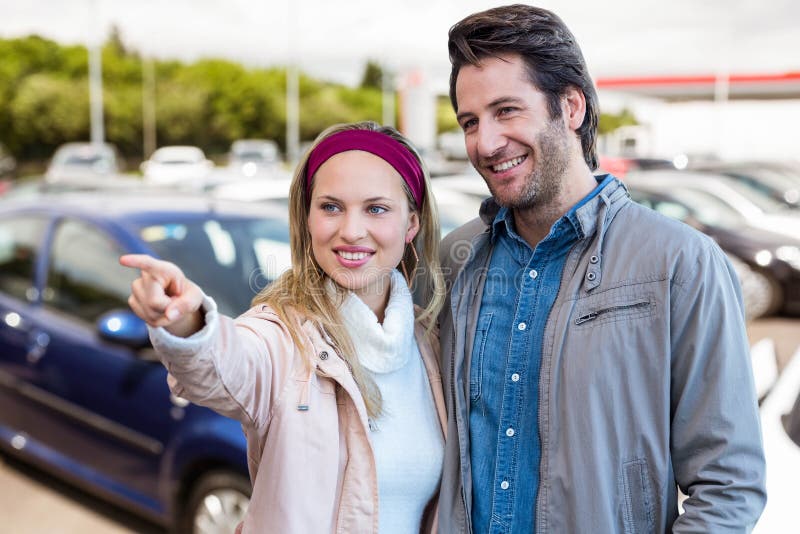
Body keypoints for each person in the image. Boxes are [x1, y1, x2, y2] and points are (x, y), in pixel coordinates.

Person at [435, 5, 767, 533]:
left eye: (507, 111)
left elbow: (728, 484)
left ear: (569, 106)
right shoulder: (457, 259)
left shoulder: (681, 263)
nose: (485, 143)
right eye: (470, 122)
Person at [120, 121, 447, 533]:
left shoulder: (429, 347)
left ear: (411, 224)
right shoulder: (280, 337)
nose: (350, 230)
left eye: (376, 208)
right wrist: (186, 320)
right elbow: (224, 363)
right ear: (307, 218)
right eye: (330, 207)